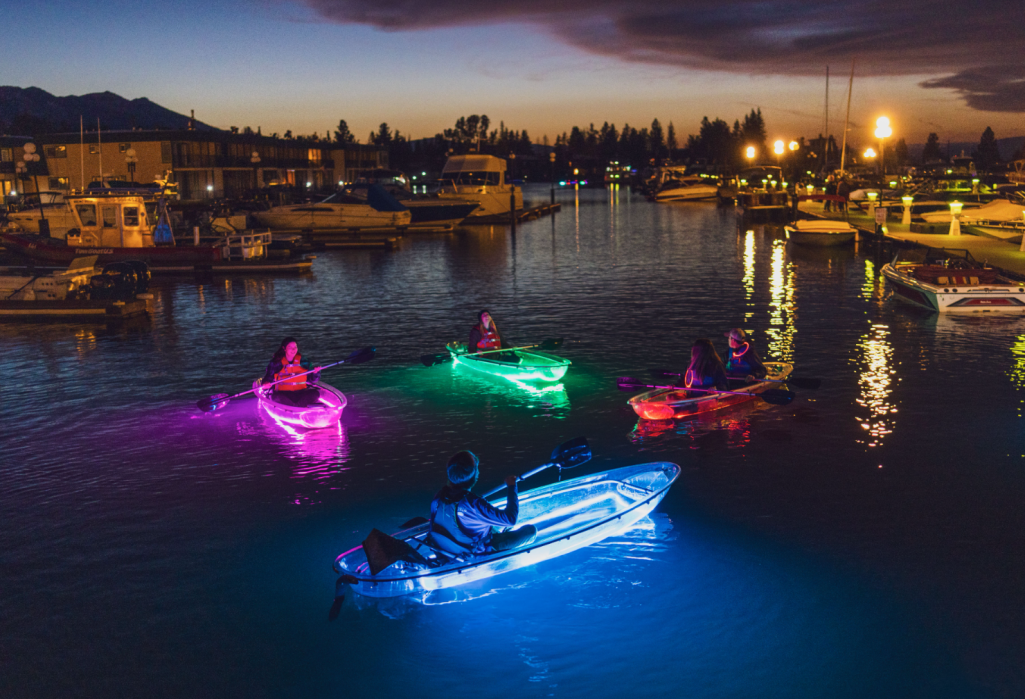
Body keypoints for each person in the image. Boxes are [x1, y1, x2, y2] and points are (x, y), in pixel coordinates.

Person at [427, 450, 538, 557]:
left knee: (490, 520)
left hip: (452, 548)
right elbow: (510, 519)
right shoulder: (474, 503)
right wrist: (511, 486)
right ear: (474, 474)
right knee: (530, 531)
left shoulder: (439, 496)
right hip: (478, 550)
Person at [254, 337, 323, 407]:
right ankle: (298, 407)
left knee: (315, 393)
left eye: (295, 347)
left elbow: (312, 380)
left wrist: (315, 373)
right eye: (290, 347)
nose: (293, 349)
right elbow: (268, 378)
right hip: (283, 394)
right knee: (276, 397)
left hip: (301, 392)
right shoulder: (276, 362)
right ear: (284, 348)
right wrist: (266, 383)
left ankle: (294, 407)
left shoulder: (304, 361)